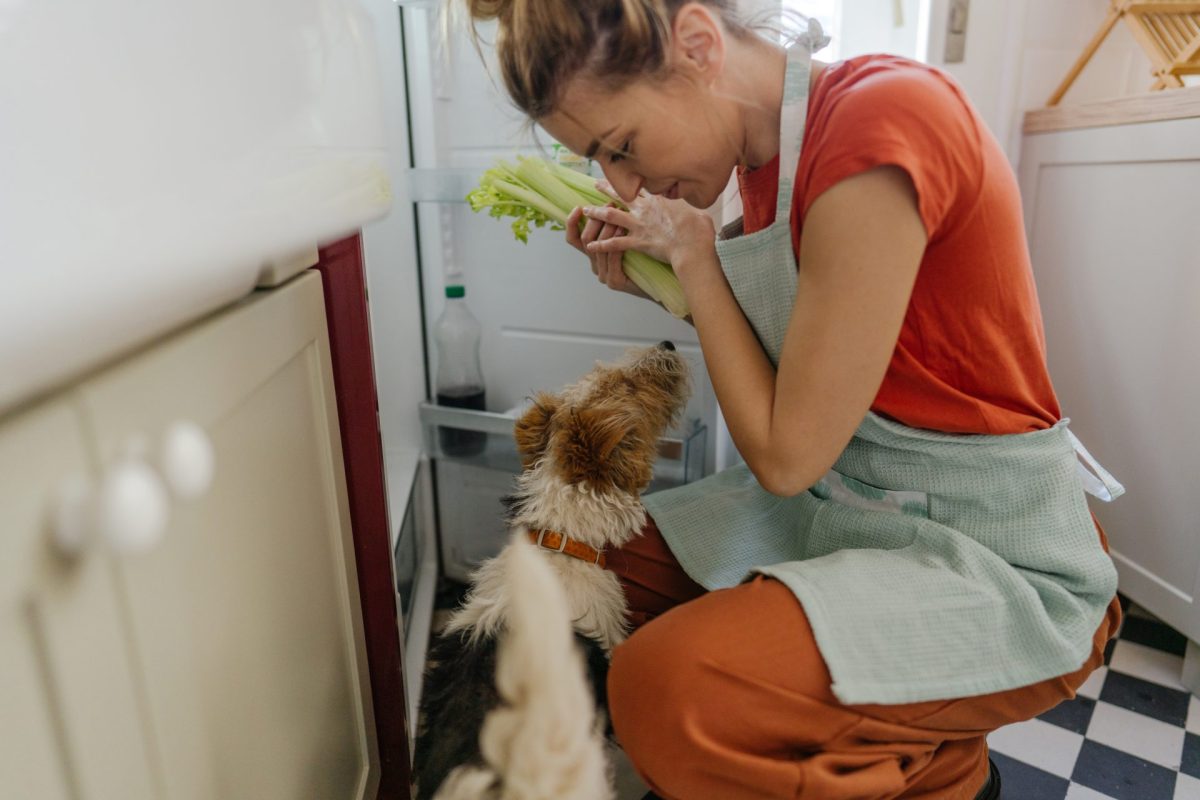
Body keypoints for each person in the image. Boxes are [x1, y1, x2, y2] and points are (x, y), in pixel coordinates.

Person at [460, 2, 1125, 798]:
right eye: (602, 161)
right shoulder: (759, 166)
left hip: (993, 546)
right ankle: (918, 752)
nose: (624, 184)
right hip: (849, 502)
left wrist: (697, 266)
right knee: (564, 568)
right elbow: (802, 362)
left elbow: (785, 452)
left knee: (666, 689)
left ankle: (932, 772)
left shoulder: (880, 121)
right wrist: (661, 279)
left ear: (701, 44)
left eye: (624, 147)